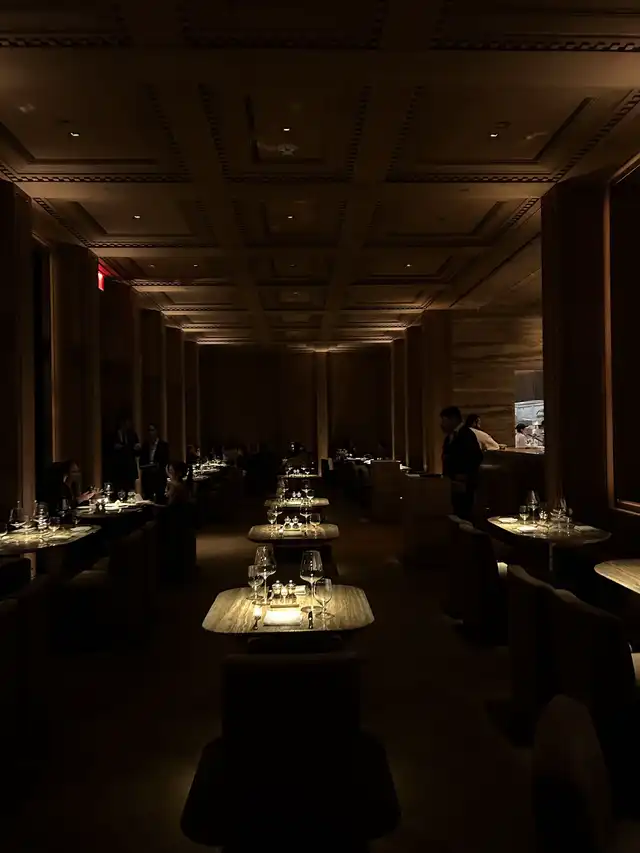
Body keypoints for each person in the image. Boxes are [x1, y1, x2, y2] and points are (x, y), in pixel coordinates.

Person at [440, 406, 483, 520]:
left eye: (444, 421)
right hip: (453, 483)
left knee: (464, 514)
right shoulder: (450, 437)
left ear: (453, 419)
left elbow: (475, 458)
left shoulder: (467, 435)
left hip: (464, 484)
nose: (442, 425)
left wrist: (465, 475)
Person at [109, 415, 140, 492]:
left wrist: (137, 448)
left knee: (130, 491)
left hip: (130, 469)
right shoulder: (113, 435)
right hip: (118, 469)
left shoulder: (132, 434)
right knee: (119, 490)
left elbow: (137, 452)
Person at [139, 424, 170, 502]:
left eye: (152, 430)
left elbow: (165, 461)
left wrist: (157, 466)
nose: (150, 432)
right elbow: (141, 461)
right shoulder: (145, 445)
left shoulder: (163, 445)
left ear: (157, 431)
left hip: (159, 477)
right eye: (149, 430)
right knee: (147, 500)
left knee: (160, 499)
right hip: (147, 477)